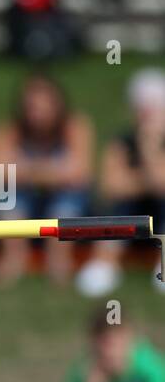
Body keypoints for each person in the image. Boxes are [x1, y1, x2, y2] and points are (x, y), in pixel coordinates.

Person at [0, 73, 94, 286]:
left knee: (69, 198)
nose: (37, 115)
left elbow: (80, 173)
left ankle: (59, 261)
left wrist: (25, 170)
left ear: (57, 106)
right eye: (32, 107)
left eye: (43, 107)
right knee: (7, 195)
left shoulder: (75, 126)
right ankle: (14, 258)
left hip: (64, 199)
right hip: (24, 198)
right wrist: (53, 172)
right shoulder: (11, 129)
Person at [75, 68, 165, 297]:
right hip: (131, 216)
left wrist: (148, 148)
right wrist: (147, 178)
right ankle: (105, 263)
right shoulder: (121, 141)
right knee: (120, 208)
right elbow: (111, 187)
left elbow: (160, 185)